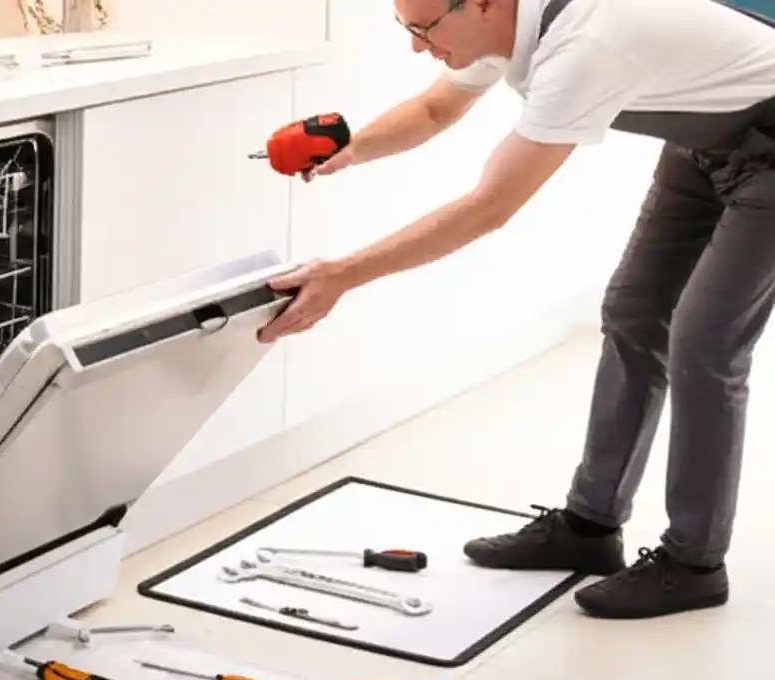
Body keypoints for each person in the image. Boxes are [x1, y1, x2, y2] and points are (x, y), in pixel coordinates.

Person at [258, 0, 775, 620]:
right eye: (408, 30)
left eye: (424, 29)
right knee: (634, 313)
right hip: (702, 146)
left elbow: (488, 208)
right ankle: (590, 527)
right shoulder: (509, 28)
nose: (418, 48)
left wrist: (341, 275)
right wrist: (352, 149)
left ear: (482, 4)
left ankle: (694, 564)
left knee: (705, 344)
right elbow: (434, 109)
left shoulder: (584, 45)